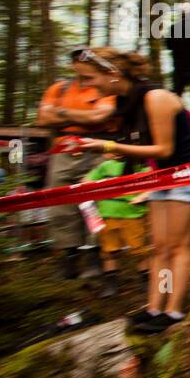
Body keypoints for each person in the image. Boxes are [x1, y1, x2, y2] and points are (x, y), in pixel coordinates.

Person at [68, 47, 190, 335]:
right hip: (161, 177)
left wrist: (109, 147)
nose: (86, 86)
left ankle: (173, 311)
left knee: (177, 247)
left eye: (88, 78)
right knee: (158, 248)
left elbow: (164, 148)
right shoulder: (128, 103)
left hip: (189, 175)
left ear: (112, 74)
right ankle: (153, 307)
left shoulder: (155, 97)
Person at [36, 48, 118, 278]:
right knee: (60, 202)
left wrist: (61, 113)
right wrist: (81, 115)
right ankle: (68, 256)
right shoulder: (59, 88)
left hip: (96, 149)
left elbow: (100, 116)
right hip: (63, 151)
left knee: (94, 203)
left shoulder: (104, 87)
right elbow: (43, 119)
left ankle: (95, 255)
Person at [82, 155, 149, 298]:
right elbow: (86, 181)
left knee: (139, 249)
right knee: (109, 250)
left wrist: (143, 196)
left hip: (132, 214)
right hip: (108, 215)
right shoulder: (104, 166)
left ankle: (146, 281)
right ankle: (111, 285)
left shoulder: (139, 165)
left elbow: (154, 182)